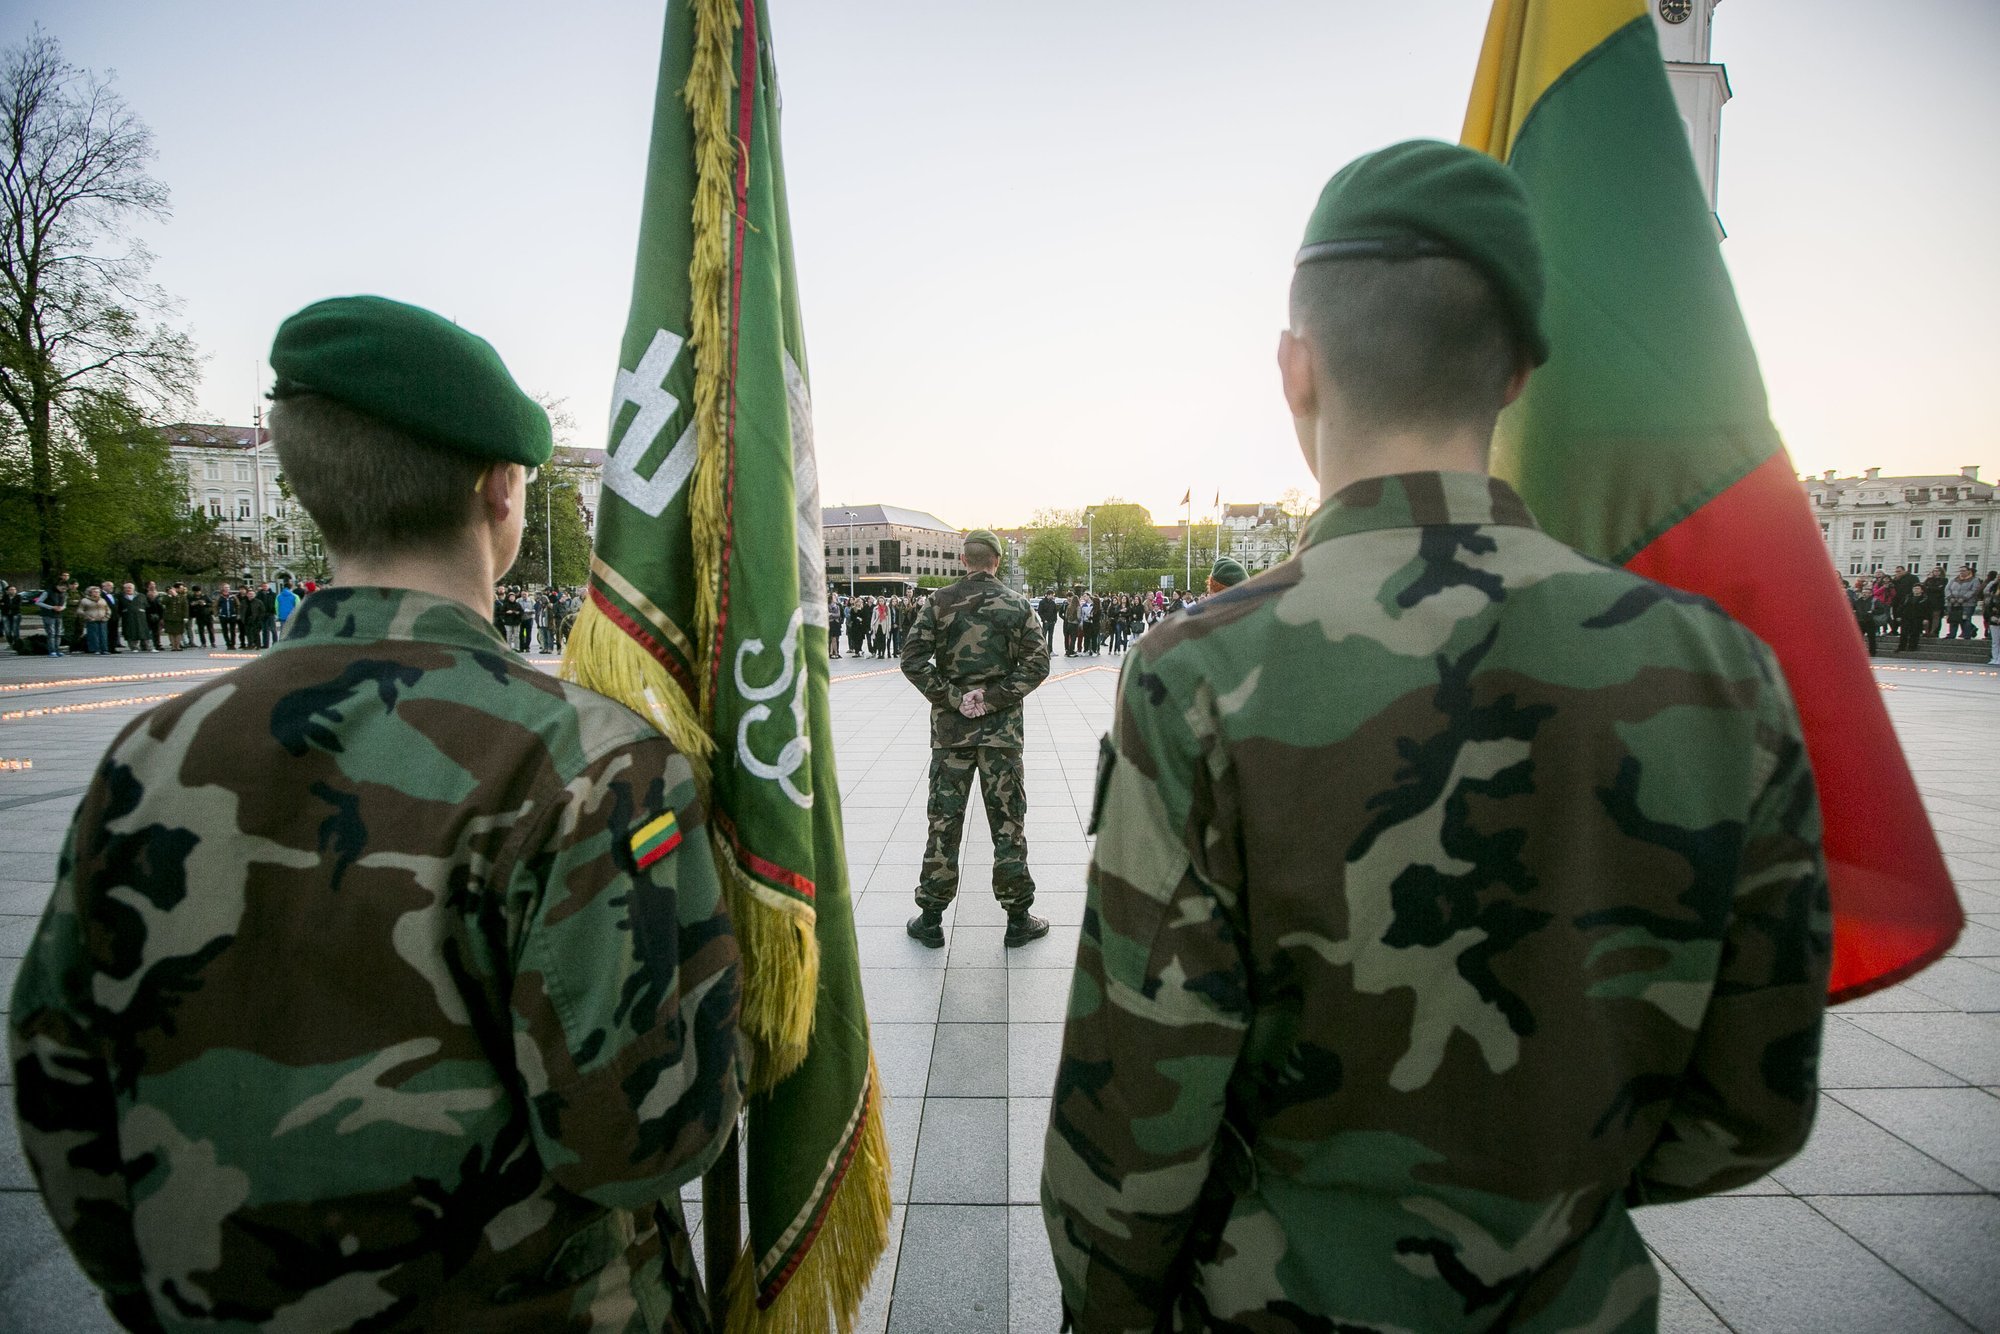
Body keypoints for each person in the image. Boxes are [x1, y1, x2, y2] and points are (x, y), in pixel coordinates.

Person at [1041, 141, 1830, 1332]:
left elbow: (1136, 1110)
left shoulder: (1199, 672)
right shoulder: (1720, 669)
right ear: (1514, 371)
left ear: (1295, 370)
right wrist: (1544, 1192)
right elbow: (1751, 1109)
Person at [9, 294, 743, 1332]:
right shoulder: (588, 765)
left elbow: (57, 1082)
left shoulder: (153, 751)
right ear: (500, 489)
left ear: (314, 490)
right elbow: (639, 1139)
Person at [900, 529, 1053, 948]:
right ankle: (1018, 918)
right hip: (1001, 735)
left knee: (943, 823)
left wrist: (954, 697)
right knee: (1008, 825)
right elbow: (1038, 664)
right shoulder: (1017, 604)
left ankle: (930, 919)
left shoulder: (939, 601)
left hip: (951, 734)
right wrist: (993, 698)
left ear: (964, 560)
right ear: (997, 561)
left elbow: (911, 659)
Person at [32, 581, 66, 656]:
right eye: (63, 588)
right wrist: (51, 607)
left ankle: (57, 650)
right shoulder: (47, 592)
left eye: (65, 589)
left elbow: (64, 603)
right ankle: (52, 650)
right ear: (58, 586)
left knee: (58, 633)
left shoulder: (64, 593)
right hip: (48, 615)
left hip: (58, 614)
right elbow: (38, 602)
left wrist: (62, 608)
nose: (64, 590)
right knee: (51, 633)